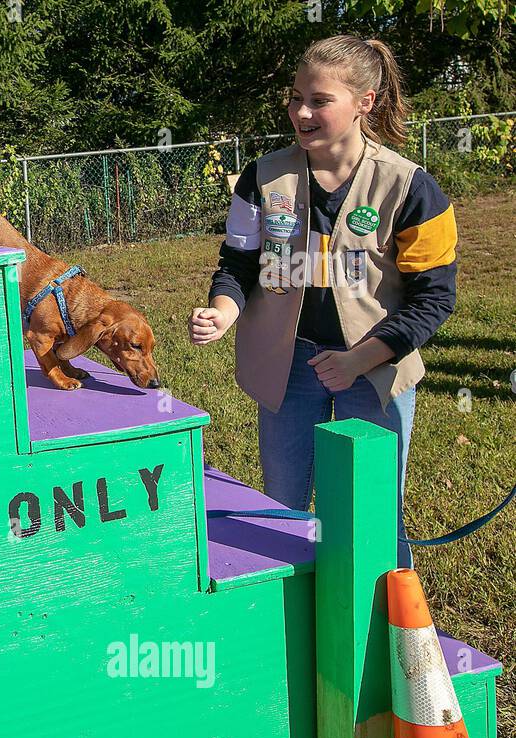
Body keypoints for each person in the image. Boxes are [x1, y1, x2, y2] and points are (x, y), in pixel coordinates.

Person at [190, 34, 458, 569]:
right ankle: (283, 620)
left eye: (319, 100)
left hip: (374, 371)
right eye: (295, 97)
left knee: (371, 513)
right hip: (288, 368)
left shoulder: (412, 188)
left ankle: (382, 628)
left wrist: (361, 359)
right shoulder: (262, 177)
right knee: (280, 509)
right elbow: (240, 263)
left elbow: (434, 299)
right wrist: (224, 308)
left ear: (366, 101)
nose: (302, 111)